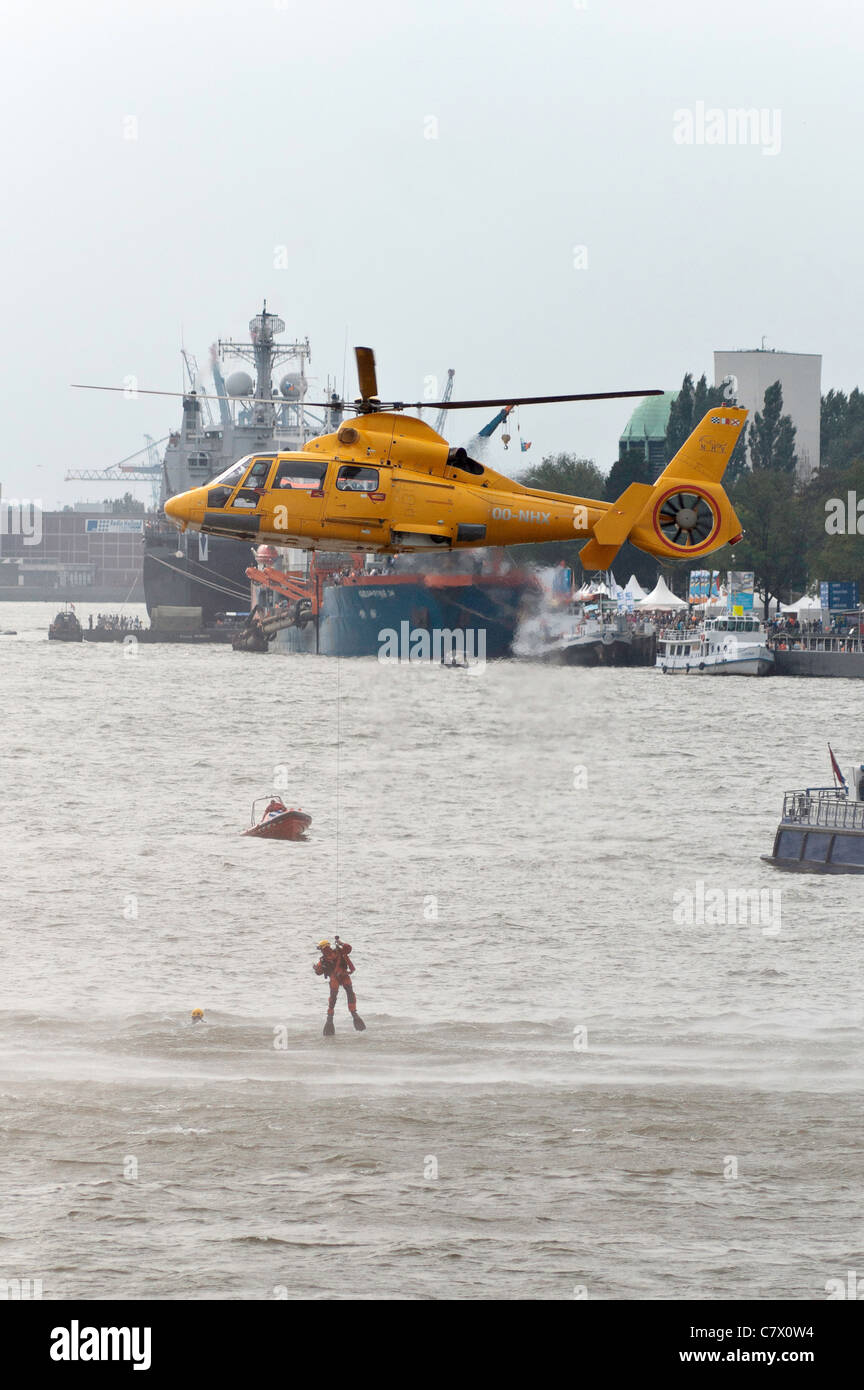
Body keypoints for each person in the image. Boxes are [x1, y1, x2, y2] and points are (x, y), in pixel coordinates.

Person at [313, 936, 365, 1035]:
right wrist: (316, 969)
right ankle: (331, 1018)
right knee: (334, 997)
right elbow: (319, 972)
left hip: (343, 975)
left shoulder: (339, 952)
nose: (322, 951)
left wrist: (340, 943)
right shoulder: (324, 960)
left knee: (348, 993)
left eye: (321, 949)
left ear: (325, 948)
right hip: (336, 978)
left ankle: (353, 1014)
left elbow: (348, 948)